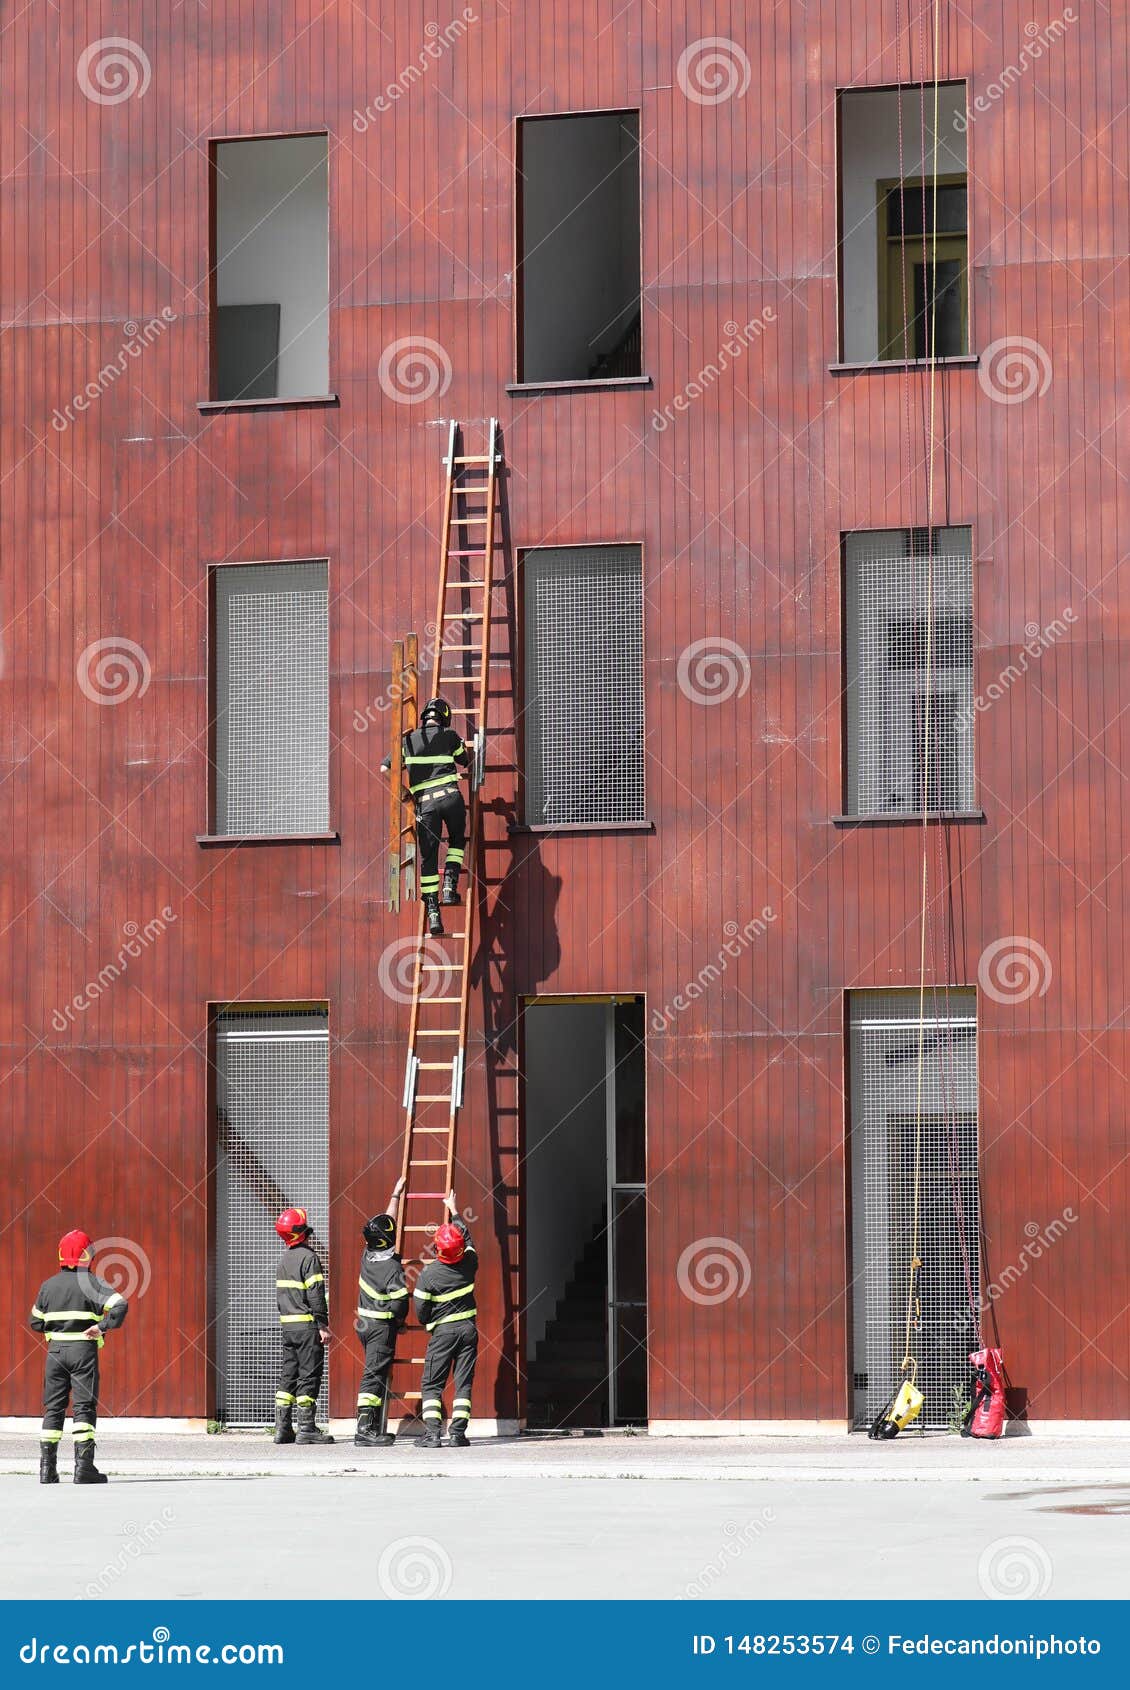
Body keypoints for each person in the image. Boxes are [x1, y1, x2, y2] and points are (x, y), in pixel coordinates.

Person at [29, 1229, 128, 1485]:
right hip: (84, 1351)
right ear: (87, 1255)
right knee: (84, 1407)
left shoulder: (48, 1285)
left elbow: (35, 1322)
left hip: (55, 1353)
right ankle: (84, 1469)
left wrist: (57, 1330)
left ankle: (47, 1470)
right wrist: (102, 1326)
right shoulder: (93, 1284)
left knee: (54, 1408)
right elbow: (120, 1305)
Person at [390, 696, 470, 937]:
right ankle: (450, 887)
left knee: (429, 858)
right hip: (451, 798)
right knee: (457, 840)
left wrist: (405, 794)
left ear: (424, 717)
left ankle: (433, 912)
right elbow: (465, 760)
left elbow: (385, 768)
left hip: (425, 806)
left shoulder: (407, 742)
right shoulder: (450, 735)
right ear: (444, 717)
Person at [413, 1191, 478, 1449]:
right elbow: (467, 1238)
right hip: (469, 1331)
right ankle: (458, 1435)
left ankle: (432, 1434)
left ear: (438, 1249)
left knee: (432, 1384)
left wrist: (430, 1321)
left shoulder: (428, 1275)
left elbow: (420, 1311)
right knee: (463, 1382)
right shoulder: (470, 1262)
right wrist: (454, 1210)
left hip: (443, 1334)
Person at [354, 1175, 409, 1448]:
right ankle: (364, 1431)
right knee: (373, 1375)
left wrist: (395, 1195)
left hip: (365, 1325)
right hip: (380, 1329)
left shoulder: (368, 1256)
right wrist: (400, 1321)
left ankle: (373, 1425)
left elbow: (387, 1225)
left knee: (376, 1373)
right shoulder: (392, 1269)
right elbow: (400, 1303)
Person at [274, 1206, 334, 1446]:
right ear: (303, 1232)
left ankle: (282, 1429)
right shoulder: (308, 1258)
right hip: (307, 1327)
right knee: (309, 1374)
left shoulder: (284, 1260)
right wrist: (323, 1325)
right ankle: (307, 1428)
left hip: (288, 1328)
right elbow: (316, 1295)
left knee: (289, 1374)